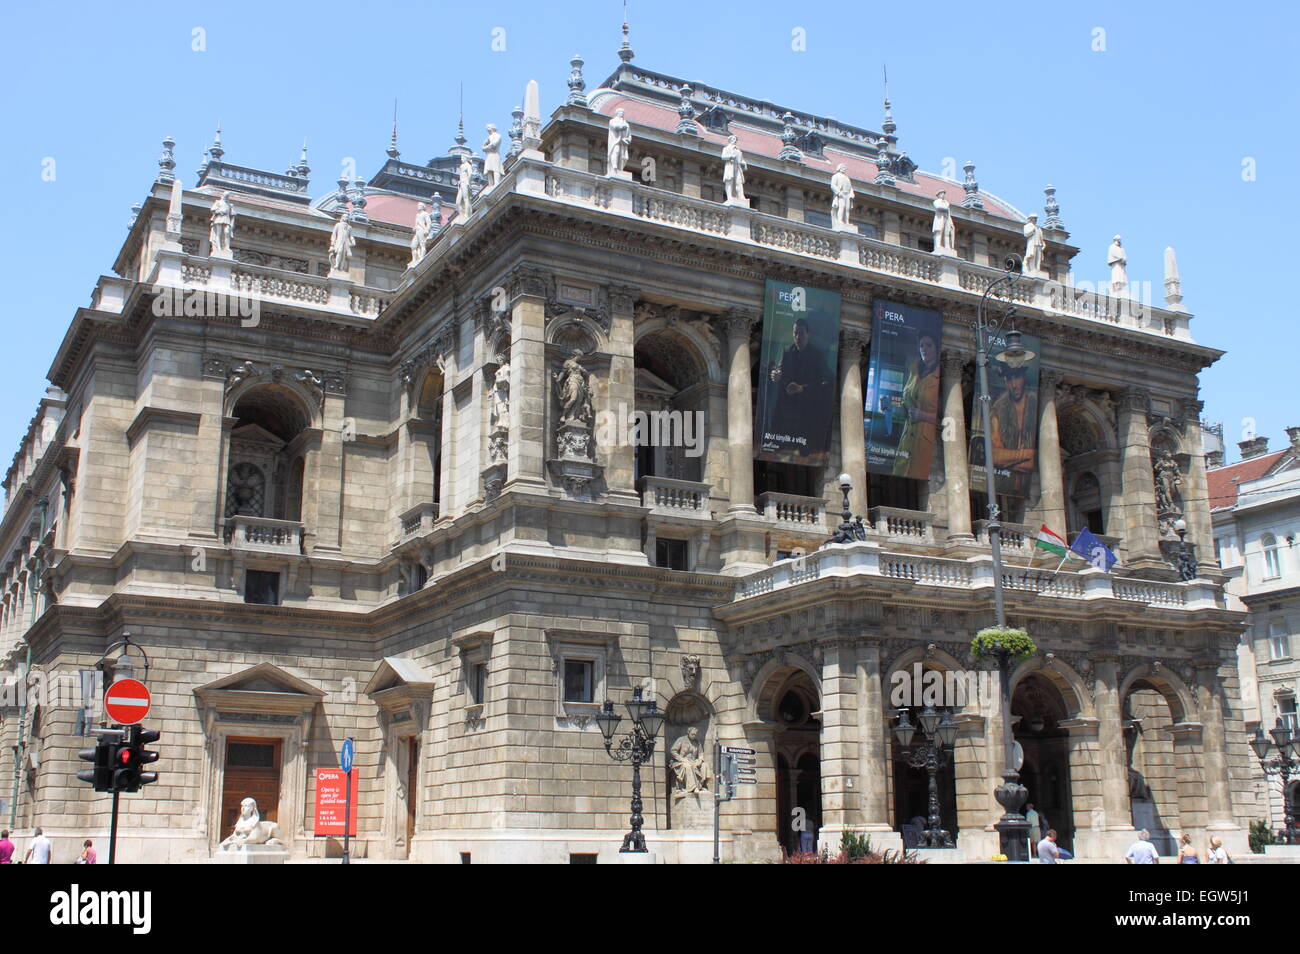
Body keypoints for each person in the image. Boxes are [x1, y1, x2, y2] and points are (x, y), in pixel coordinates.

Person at [769, 317, 830, 456]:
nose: (797, 337)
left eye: (801, 333)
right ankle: (779, 443)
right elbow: (779, 371)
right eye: (795, 333)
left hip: (808, 402)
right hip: (788, 401)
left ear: (808, 334)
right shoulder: (787, 351)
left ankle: (805, 446)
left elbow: (824, 382)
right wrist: (776, 375)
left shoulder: (817, 355)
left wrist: (802, 388)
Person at [891, 331, 940, 478]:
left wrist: (923, 415)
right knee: (899, 473)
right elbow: (906, 408)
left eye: (929, 345)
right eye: (921, 346)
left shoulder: (940, 376)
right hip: (907, 440)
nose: (924, 349)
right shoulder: (914, 371)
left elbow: (949, 420)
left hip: (926, 442)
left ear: (937, 348)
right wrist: (891, 407)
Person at [989, 362, 1038, 497]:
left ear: (1024, 378)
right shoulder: (998, 409)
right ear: (1005, 381)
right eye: (1009, 379)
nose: (1014, 384)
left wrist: (1009, 459)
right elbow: (995, 457)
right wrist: (1029, 455)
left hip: (1026, 485)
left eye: (1017, 377)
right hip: (1003, 483)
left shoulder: (1036, 405)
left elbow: (1041, 458)